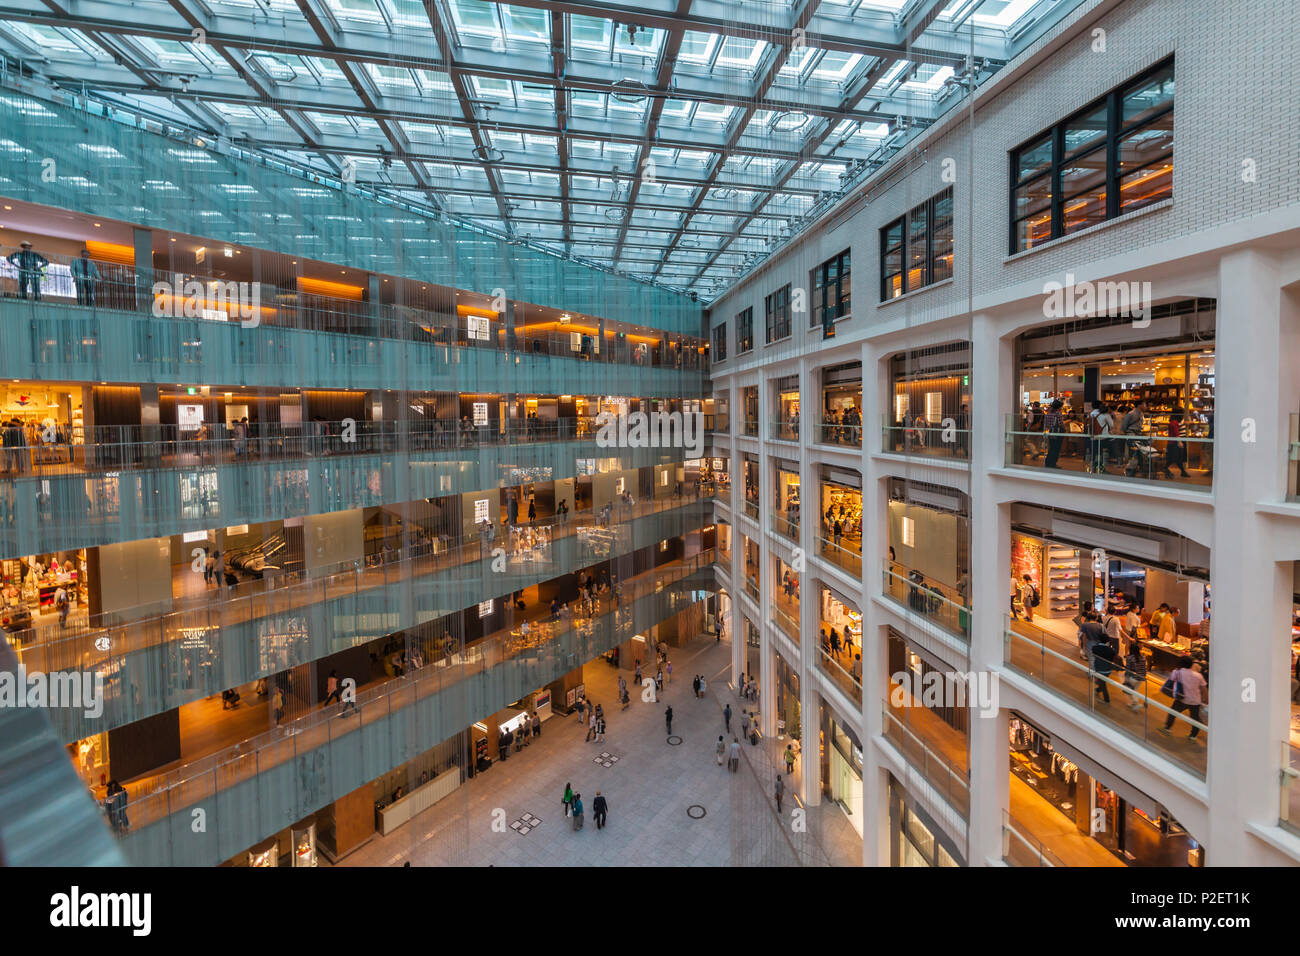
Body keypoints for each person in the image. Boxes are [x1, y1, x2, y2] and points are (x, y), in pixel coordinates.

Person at [1160, 657, 1207, 740]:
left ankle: (1167, 728)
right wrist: (1206, 700)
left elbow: (1171, 681)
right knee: (1195, 718)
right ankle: (1193, 735)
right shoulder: (1198, 676)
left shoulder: (1177, 672)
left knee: (1173, 712)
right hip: (1195, 701)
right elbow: (1204, 689)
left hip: (1182, 699)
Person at [1091, 635, 1117, 703]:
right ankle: (1097, 690)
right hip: (1108, 670)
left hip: (1099, 669)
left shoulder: (1095, 648)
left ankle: (1107, 700)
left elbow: (1093, 655)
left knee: (1103, 684)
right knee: (1102, 682)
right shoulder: (1111, 650)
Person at [1042, 398, 1065, 468]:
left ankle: (1048, 462)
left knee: (1051, 448)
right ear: (1059, 407)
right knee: (1056, 448)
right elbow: (1061, 423)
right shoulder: (1058, 413)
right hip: (1058, 432)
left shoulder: (1048, 413)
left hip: (1051, 431)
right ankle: (1053, 463)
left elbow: (1046, 424)